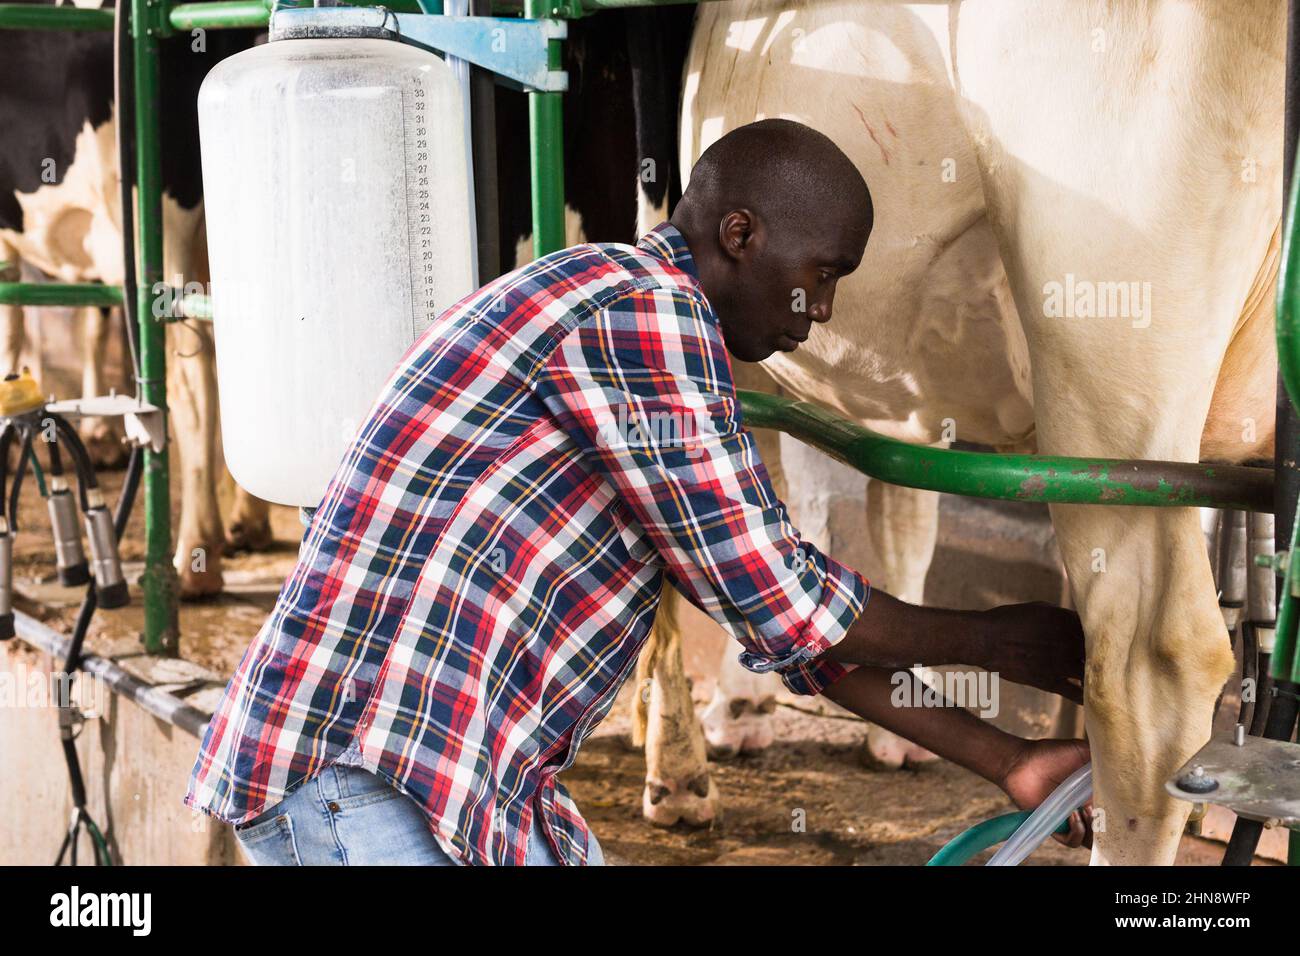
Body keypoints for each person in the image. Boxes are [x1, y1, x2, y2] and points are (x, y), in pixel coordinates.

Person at [184, 118, 1090, 866]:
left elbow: (783, 627)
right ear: (742, 236)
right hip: (372, 771)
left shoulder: (625, 313)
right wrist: (1000, 642)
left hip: (415, 770)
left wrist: (1011, 761)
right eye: (822, 278)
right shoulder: (643, 312)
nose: (820, 315)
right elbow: (785, 602)